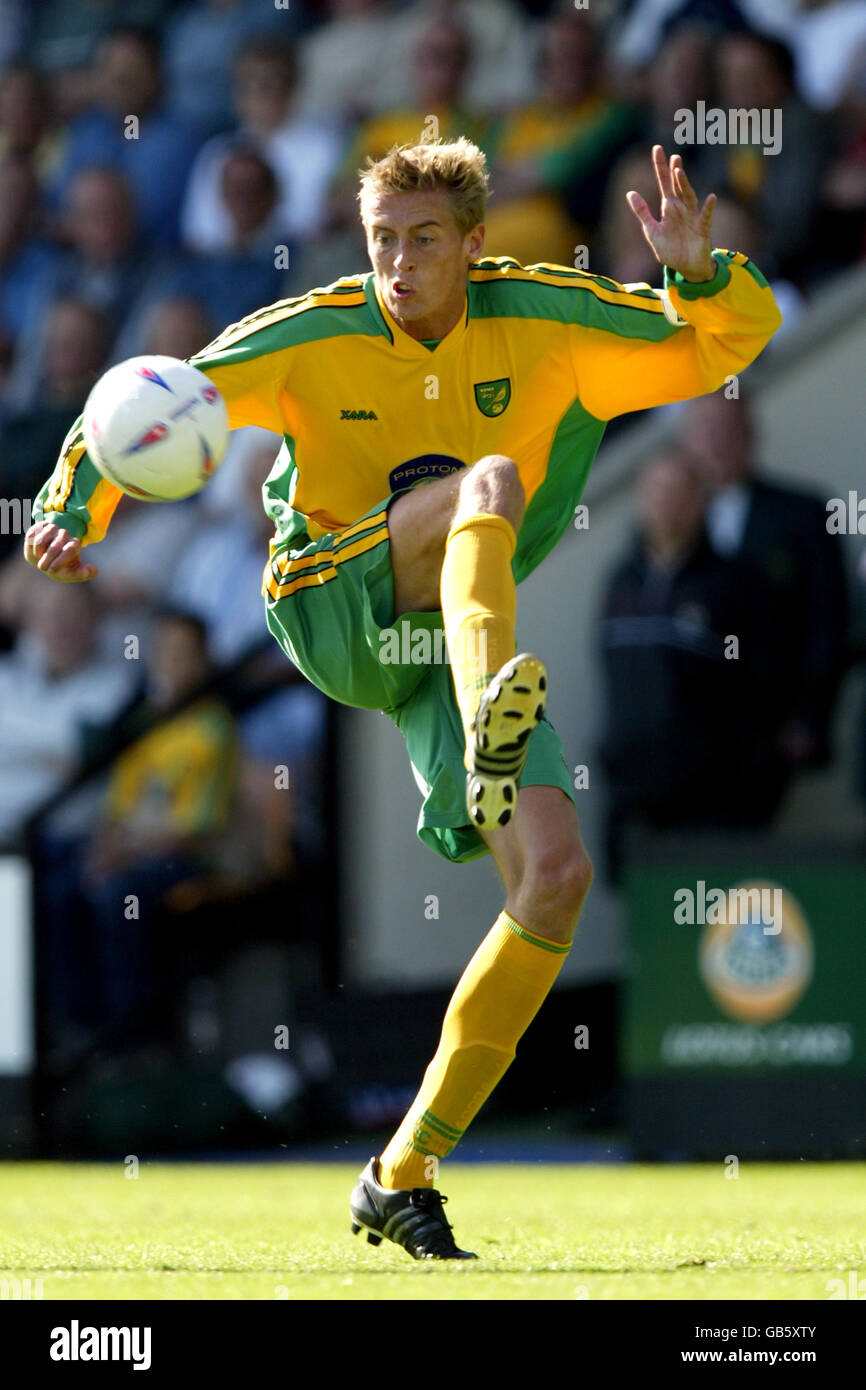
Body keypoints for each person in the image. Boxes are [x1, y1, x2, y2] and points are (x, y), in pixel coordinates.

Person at [24, 138, 781, 1259]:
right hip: (329, 601)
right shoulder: (313, 333)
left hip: (445, 638)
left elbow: (720, 346)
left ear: (473, 243)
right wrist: (69, 507)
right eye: (382, 240)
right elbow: (154, 397)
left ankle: (400, 1168)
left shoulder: (548, 318)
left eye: (424, 239)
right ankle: (487, 717)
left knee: (555, 879)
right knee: (486, 482)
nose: (399, 263)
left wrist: (698, 277)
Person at [599, 448, 780, 883]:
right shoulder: (620, 584)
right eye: (658, 492)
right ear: (641, 499)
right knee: (649, 933)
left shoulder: (735, 584)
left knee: (711, 932)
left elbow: (767, 686)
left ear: (702, 501)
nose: (668, 505)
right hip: (635, 800)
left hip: (716, 807)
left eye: (681, 493)